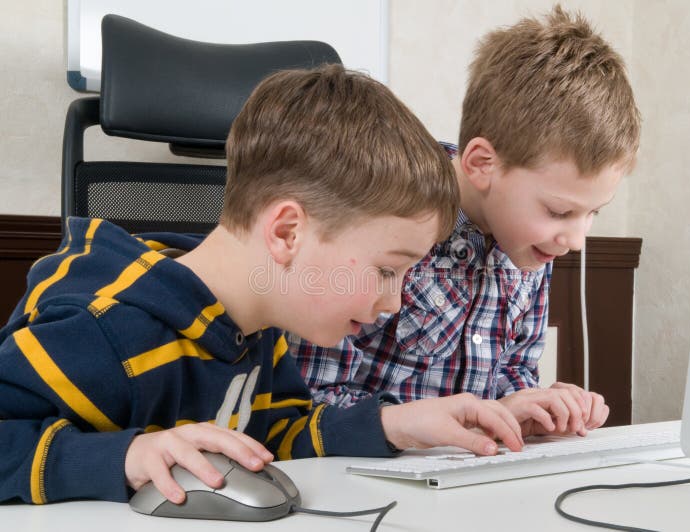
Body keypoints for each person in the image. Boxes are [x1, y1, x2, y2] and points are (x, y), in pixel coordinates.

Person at [0, 64, 525, 506]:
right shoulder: (108, 330)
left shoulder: (255, 331)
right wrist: (128, 457)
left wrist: (397, 425)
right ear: (287, 232)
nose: (394, 302)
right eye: (388, 269)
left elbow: (277, 434)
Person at [290, 6, 641, 439]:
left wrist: (527, 409)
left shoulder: (529, 244)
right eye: (559, 211)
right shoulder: (381, 220)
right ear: (481, 164)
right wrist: (409, 428)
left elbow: (513, 369)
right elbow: (310, 403)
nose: (575, 240)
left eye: (593, 213)